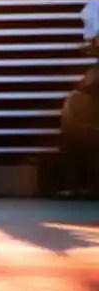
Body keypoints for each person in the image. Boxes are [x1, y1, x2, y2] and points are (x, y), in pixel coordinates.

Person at [59, 67, 99, 198]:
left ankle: (82, 187)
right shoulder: (79, 99)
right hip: (79, 137)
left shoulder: (77, 98)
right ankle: (81, 187)